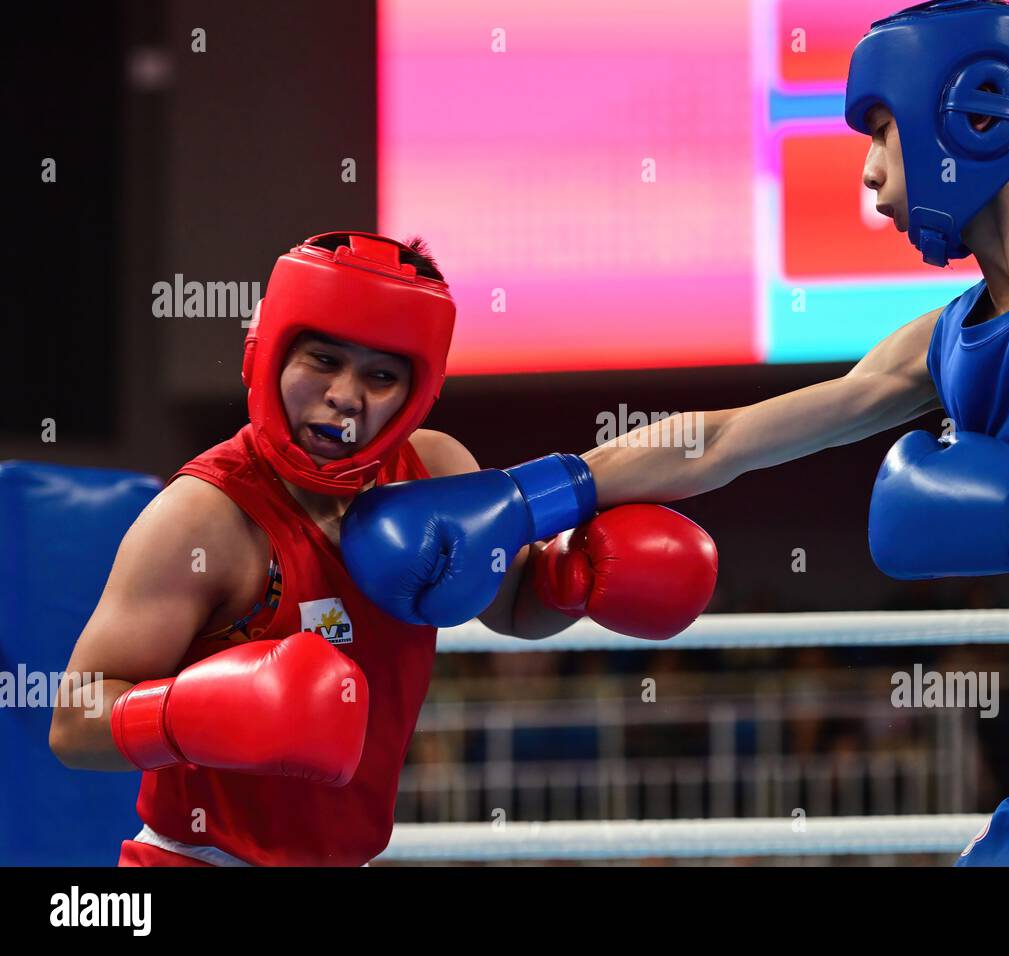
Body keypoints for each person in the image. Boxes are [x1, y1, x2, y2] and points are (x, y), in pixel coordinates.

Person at [377, 0, 1009, 864]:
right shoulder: (954, 342)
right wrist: (536, 494)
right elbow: (731, 437)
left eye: (882, 133)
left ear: (973, 111)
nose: (869, 175)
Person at [49, 231, 717, 866]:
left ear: (415, 393)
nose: (344, 396)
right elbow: (73, 725)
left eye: (380, 375)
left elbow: (515, 608)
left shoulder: (436, 471)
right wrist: (190, 715)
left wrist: (571, 581)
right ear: (269, 353)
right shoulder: (204, 516)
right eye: (323, 360)